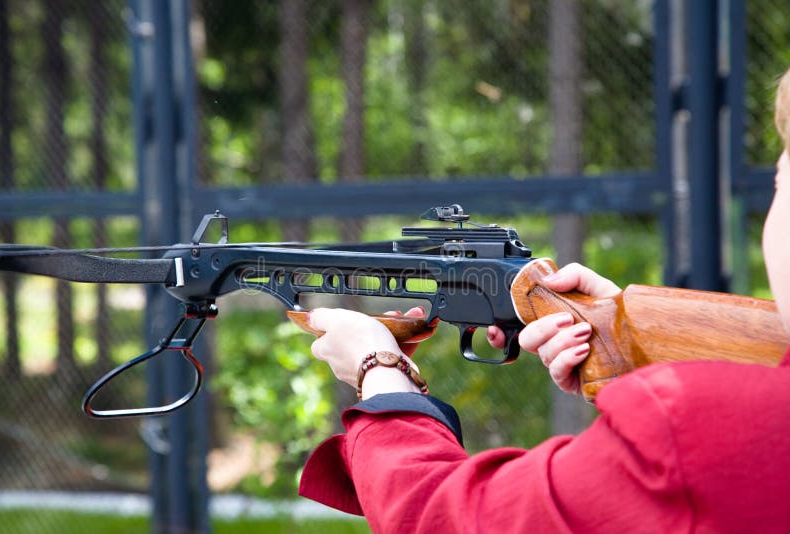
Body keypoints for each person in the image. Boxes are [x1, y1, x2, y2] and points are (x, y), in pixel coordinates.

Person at [297, 69, 790, 532]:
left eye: (779, 183)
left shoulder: (682, 420)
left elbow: (448, 518)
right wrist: (619, 339)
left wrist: (379, 368)